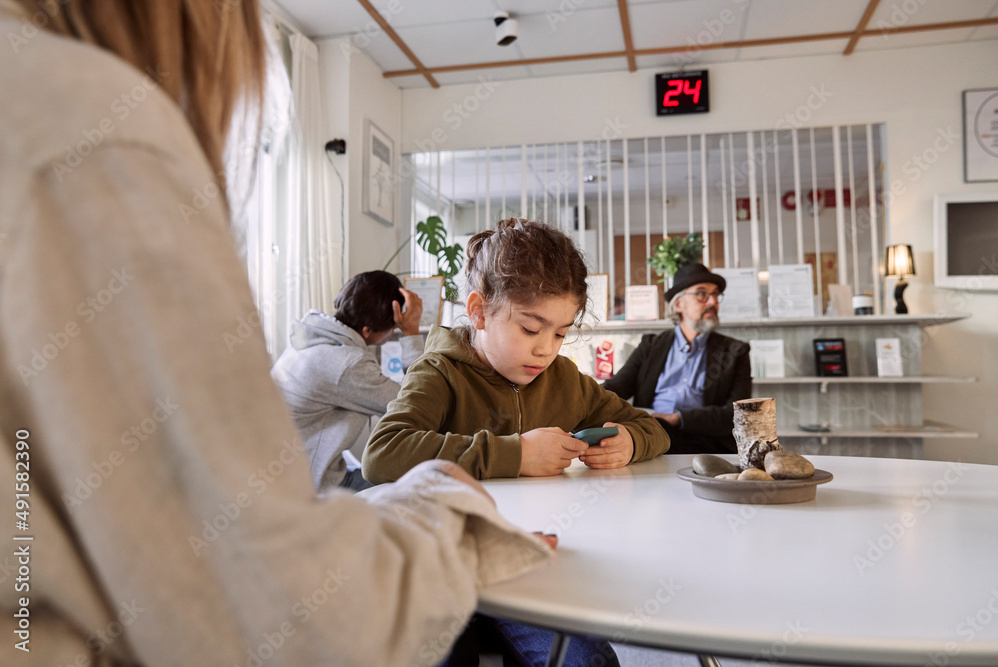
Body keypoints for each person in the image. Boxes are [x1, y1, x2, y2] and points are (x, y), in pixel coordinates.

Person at [0, 3, 554, 665]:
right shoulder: (91, 125)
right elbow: (277, 613)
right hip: (317, 494)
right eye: (531, 325)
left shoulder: (316, 343)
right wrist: (448, 499)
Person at [364, 218, 670, 667]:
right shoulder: (439, 372)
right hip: (442, 567)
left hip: (531, 565)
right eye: (531, 329)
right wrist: (518, 452)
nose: (547, 349)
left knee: (588, 662)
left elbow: (651, 428)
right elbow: (383, 453)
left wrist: (629, 440)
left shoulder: (564, 378)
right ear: (479, 311)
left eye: (561, 333)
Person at [271, 271, 423, 492]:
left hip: (291, 475)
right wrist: (412, 332)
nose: (393, 332)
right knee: (416, 491)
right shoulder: (347, 363)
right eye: (393, 328)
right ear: (367, 331)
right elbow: (418, 404)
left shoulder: (312, 338)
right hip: (312, 487)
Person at [603, 263, 752, 455]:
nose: (712, 301)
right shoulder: (650, 346)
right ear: (678, 304)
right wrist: (586, 403)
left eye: (715, 294)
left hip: (707, 442)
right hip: (652, 435)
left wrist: (677, 418)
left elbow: (738, 413)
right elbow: (615, 388)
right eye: (701, 294)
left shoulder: (735, 351)